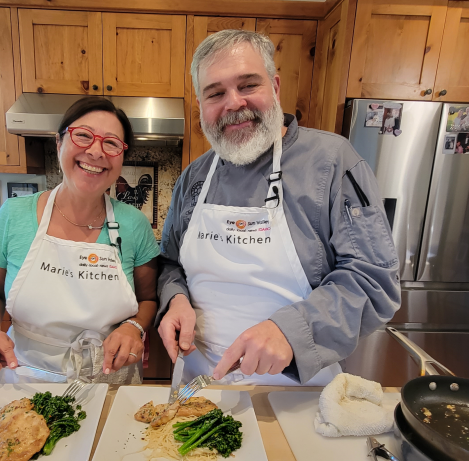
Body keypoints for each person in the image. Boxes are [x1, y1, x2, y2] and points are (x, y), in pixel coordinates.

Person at [157, 30, 401, 386]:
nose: (234, 103)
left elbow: (373, 280)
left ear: (275, 86)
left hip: (296, 394)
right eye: (215, 93)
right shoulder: (195, 176)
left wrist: (292, 331)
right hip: (199, 389)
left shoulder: (334, 161)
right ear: (201, 105)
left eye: (247, 85)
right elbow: (170, 263)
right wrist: (175, 298)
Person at [0, 97, 160, 384]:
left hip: (110, 379)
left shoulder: (134, 224)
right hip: (26, 377)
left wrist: (134, 327)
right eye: (83, 136)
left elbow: (148, 299)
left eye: (111, 143)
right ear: (59, 143)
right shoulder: (14, 215)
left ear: (121, 156)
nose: (96, 151)